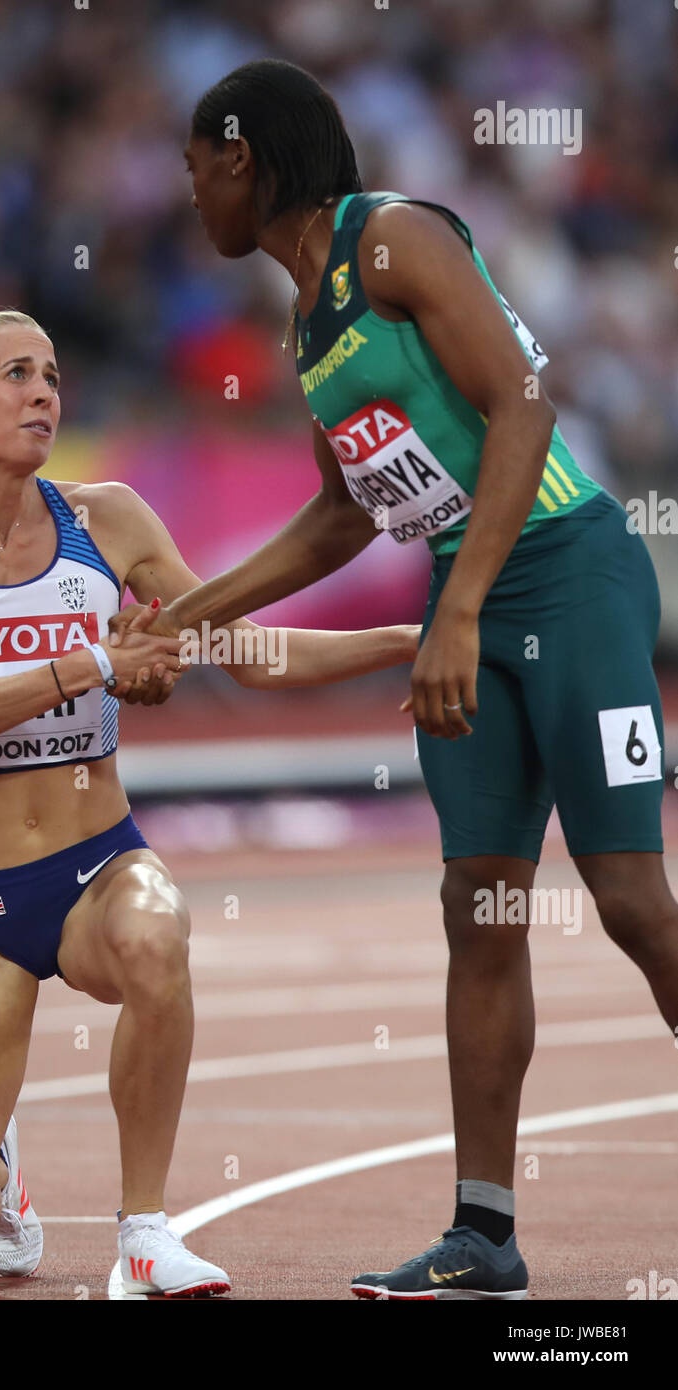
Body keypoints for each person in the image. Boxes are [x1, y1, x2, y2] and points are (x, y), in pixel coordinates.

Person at [112, 58, 678, 1300]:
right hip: (465, 601)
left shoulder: (394, 242)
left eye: (195, 166)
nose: (187, 191)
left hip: (569, 578)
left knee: (632, 900)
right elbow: (339, 520)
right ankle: (482, 1237)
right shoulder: (305, 320)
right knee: (477, 913)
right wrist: (179, 623)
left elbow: (525, 407)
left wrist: (459, 608)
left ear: (243, 155)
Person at [0, 308, 420, 1297]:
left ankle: (144, 1232)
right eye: (16, 375)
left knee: (158, 937)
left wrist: (409, 638)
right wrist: (100, 660)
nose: (42, 395)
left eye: (53, 377)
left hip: (92, 864)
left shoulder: (108, 521)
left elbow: (243, 649)